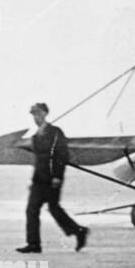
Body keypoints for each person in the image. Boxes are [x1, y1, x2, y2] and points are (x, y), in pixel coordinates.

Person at [17, 102, 89, 254]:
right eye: (34, 114)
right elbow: (38, 160)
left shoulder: (55, 132)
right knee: (31, 210)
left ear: (45, 114)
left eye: (38, 114)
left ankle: (79, 231)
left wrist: (57, 176)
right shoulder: (36, 136)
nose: (36, 117)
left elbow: (62, 155)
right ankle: (34, 244)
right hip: (39, 180)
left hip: (52, 179)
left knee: (54, 209)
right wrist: (33, 181)